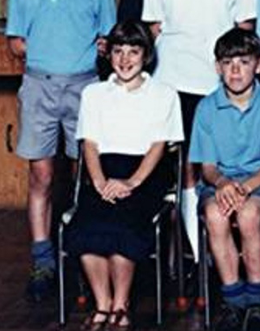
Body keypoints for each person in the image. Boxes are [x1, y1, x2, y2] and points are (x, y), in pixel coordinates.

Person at [6, 0, 116, 302]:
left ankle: (84, 253)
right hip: (40, 87)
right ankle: (43, 261)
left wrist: (100, 48)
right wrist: (35, 50)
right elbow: (16, 43)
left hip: (84, 88)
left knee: (86, 174)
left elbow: (108, 42)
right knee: (42, 176)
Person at [143, 0, 258, 261]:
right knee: (185, 169)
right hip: (174, 81)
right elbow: (154, 28)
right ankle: (196, 255)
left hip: (219, 84)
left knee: (217, 166)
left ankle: (223, 253)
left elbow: (245, 27)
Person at [66, 21, 182, 331]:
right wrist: (99, 182)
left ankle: (121, 304)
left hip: (145, 174)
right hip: (103, 172)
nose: (125, 59)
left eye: (133, 51)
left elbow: (158, 145)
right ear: (109, 55)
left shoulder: (164, 94)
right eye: (118, 51)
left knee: (123, 226)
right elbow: (90, 144)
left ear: (146, 55)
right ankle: (102, 304)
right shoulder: (94, 93)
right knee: (86, 227)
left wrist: (132, 182)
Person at [192, 27, 260, 331]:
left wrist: (245, 189)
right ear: (217, 67)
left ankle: (258, 301)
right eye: (227, 63)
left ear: (259, 65)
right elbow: (208, 168)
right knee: (215, 214)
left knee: (249, 213)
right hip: (222, 182)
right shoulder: (206, 107)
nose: (235, 70)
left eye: (243, 62)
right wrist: (224, 184)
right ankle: (233, 300)